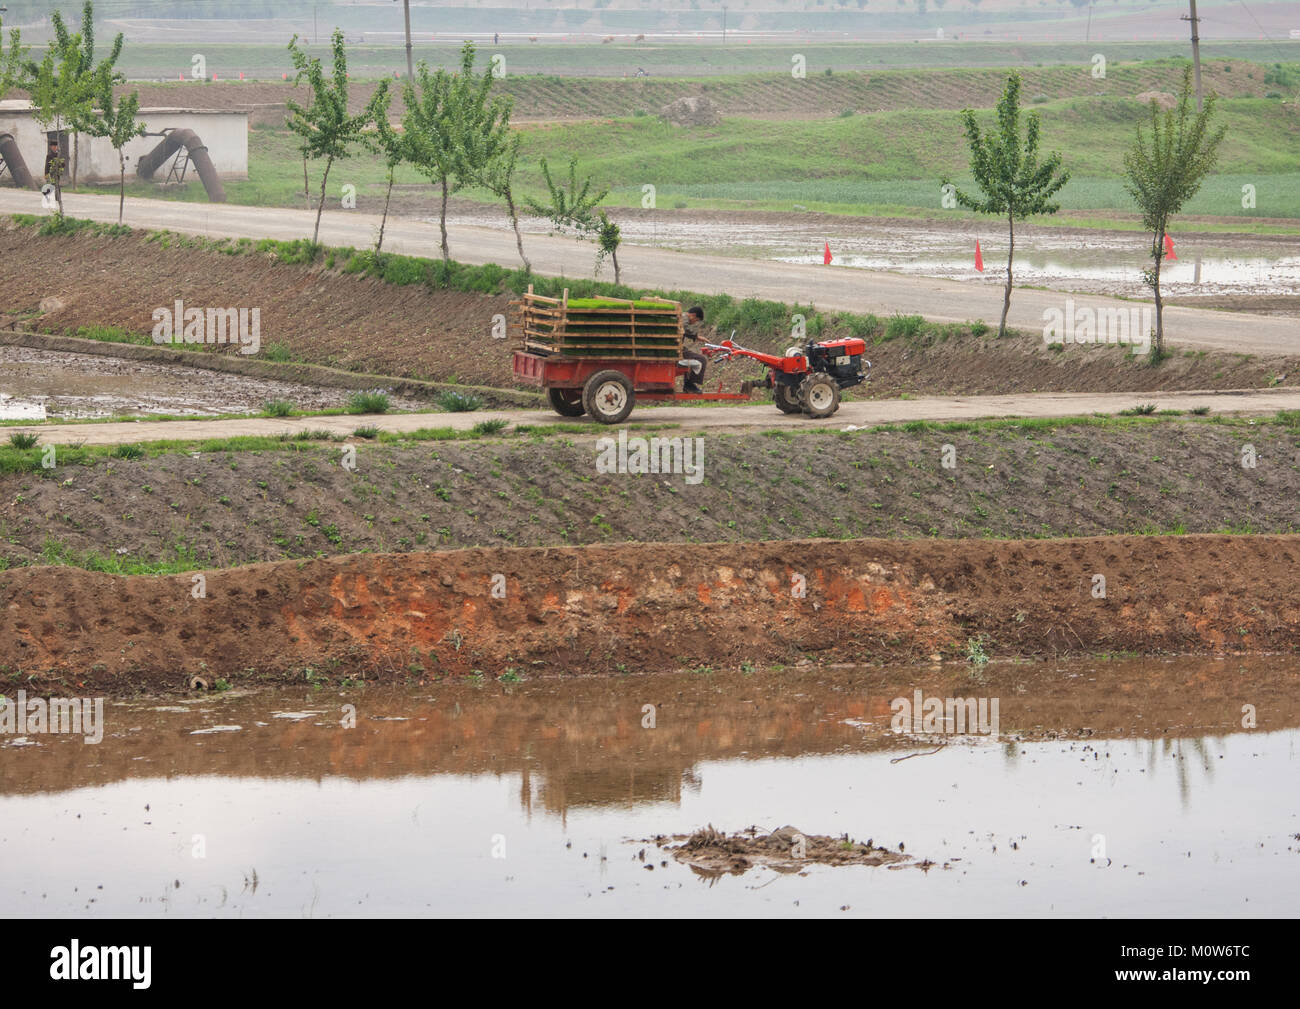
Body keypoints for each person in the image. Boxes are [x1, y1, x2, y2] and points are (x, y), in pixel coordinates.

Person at [681, 305, 708, 394]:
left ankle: (688, 385)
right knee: (701, 359)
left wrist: (697, 337)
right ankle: (689, 385)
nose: (694, 322)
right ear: (693, 315)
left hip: (676, 348)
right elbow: (685, 328)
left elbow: (683, 330)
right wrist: (696, 336)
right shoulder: (684, 317)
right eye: (696, 320)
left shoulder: (681, 316)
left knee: (692, 356)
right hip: (676, 350)